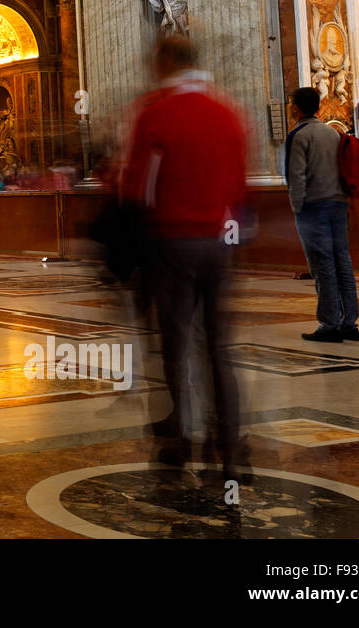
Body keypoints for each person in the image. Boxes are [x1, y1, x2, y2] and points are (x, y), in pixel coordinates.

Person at [120, 36, 247, 479]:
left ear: (169, 61)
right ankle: (230, 446)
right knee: (218, 348)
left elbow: (136, 188)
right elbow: (239, 184)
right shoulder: (228, 113)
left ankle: (179, 439)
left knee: (174, 347)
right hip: (218, 243)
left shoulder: (156, 114)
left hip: (171, 243)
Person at [286, 86, 359, 342]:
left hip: (313, 206)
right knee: (343, 261)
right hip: (339, 204)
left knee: (323, 266)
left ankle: (330, 324)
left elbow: (296, 176)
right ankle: (350, 322)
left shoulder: (299, 135)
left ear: (296, 107)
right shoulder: (332, 132)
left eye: (291, 103)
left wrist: (297, 208)